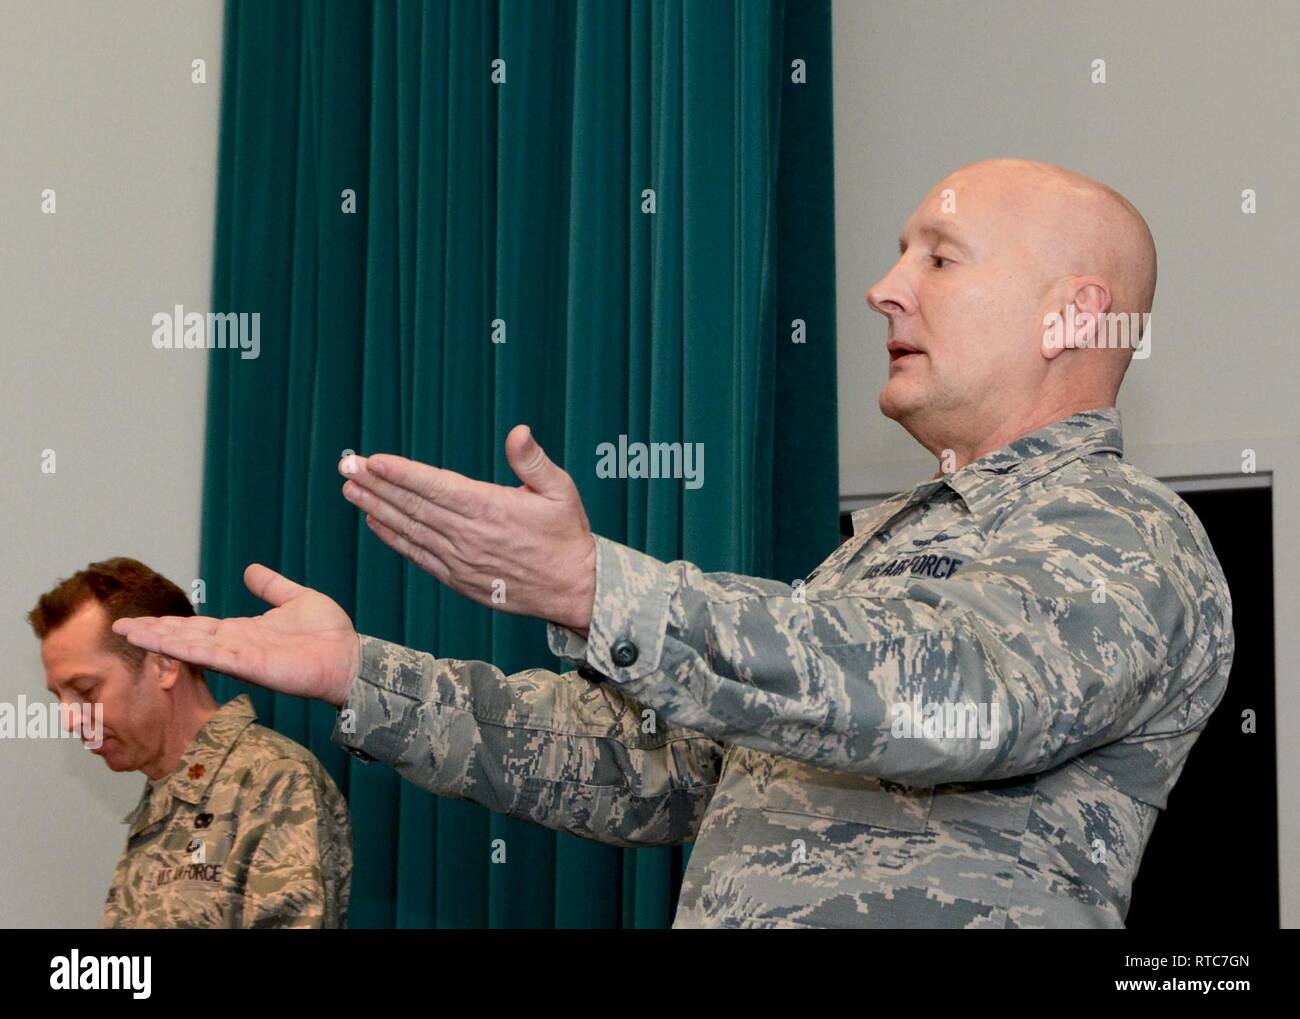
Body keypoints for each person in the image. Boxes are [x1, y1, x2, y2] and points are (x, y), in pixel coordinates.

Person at [113, 158, 1233, 928]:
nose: (883, 289)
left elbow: (963, 696)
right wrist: (369, 677)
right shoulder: (874, 554)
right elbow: (650, 765)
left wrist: (606, 588)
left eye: (938, 259)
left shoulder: (1125, 532)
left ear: (1074, 315)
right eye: (898, 255)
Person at [31, 557, 353, 928]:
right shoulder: (164, 796)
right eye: (60, 698)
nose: (71, 720)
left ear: (165, 663)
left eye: (86, 690)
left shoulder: (272, 780)